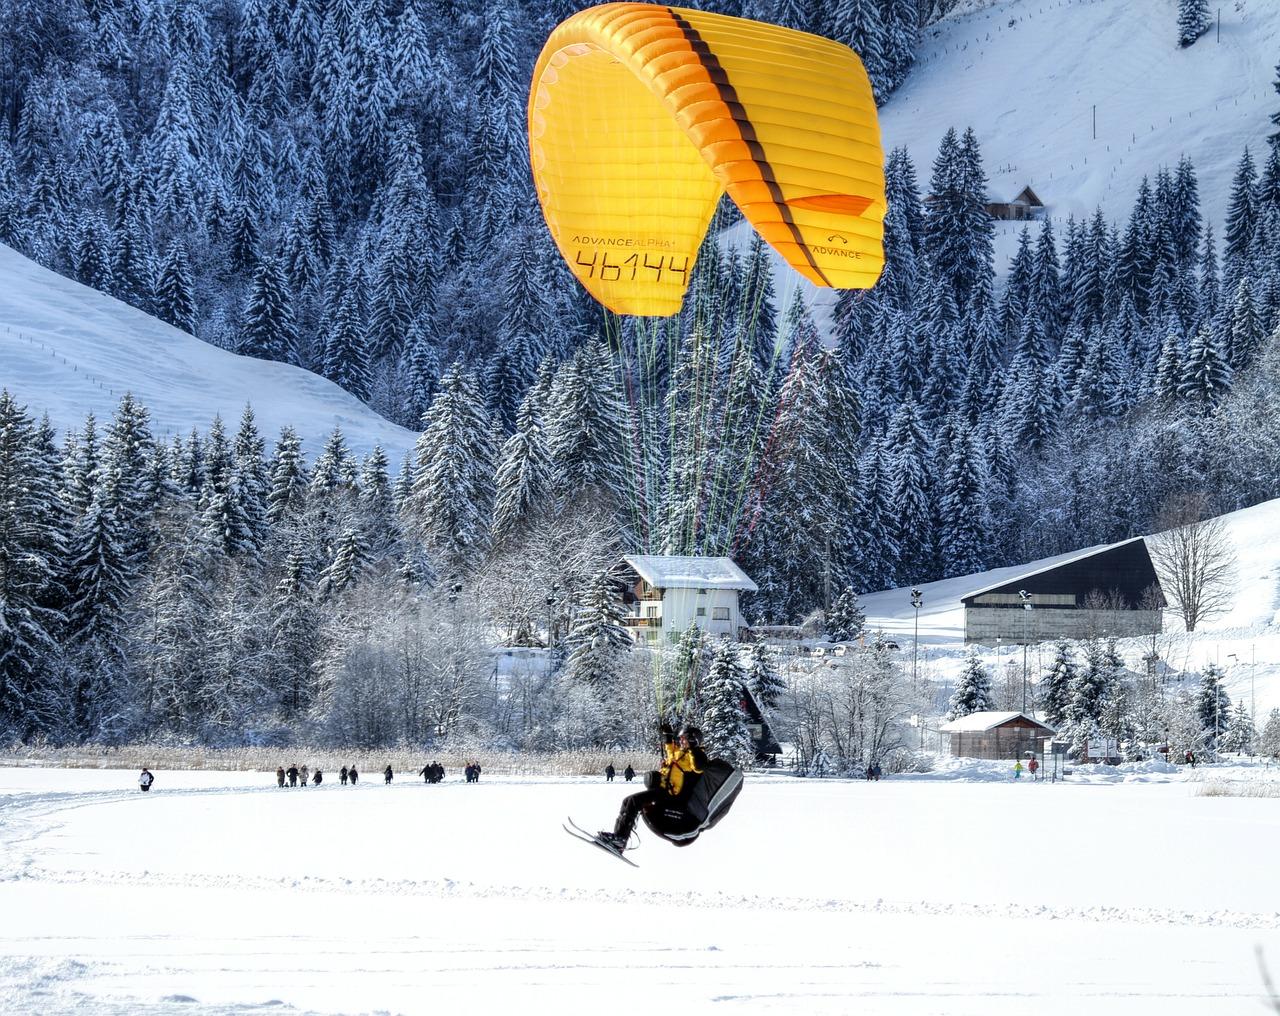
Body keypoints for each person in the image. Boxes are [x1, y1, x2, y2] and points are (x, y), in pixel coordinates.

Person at [597, 724, 706, 852]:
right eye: (680, 738)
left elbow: (699, 767)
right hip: (662, 791)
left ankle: (620, 840)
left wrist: (693, 748)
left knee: (633, 801)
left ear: (692, 740)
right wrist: (667, 736)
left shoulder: (695, 756)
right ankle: (618, 837)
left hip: (672, 797)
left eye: (684, 738)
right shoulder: (680, 753)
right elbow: (670, 750)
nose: (680, 740)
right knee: (628, 801)